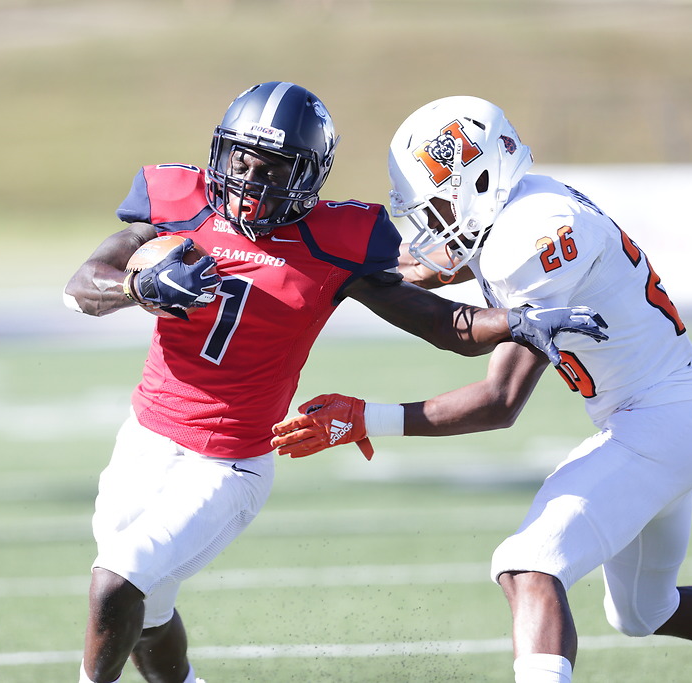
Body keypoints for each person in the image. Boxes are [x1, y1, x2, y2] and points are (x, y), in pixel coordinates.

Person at [63, 82, 606, 683]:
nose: (250, 180)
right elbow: (85, 283)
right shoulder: (180, 202)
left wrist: (521, 320)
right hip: (142, 440)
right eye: (241, 160)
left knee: (117, 582)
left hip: (226, 464)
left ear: (308, 177)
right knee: (147, 613)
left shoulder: (336, 242)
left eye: (273, 169)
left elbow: (447, 325)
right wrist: (135, 289)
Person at [270, 95, 692, 682]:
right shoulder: (529, 204)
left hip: (655, 425)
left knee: (528, 566)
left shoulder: (532, 240)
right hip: (671, 416)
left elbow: (499, 402)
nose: (429, 225)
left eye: (435, 207)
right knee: (643, 610)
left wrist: (364, 417)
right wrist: (328, 263)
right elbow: (439, 265)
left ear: (478, 181)